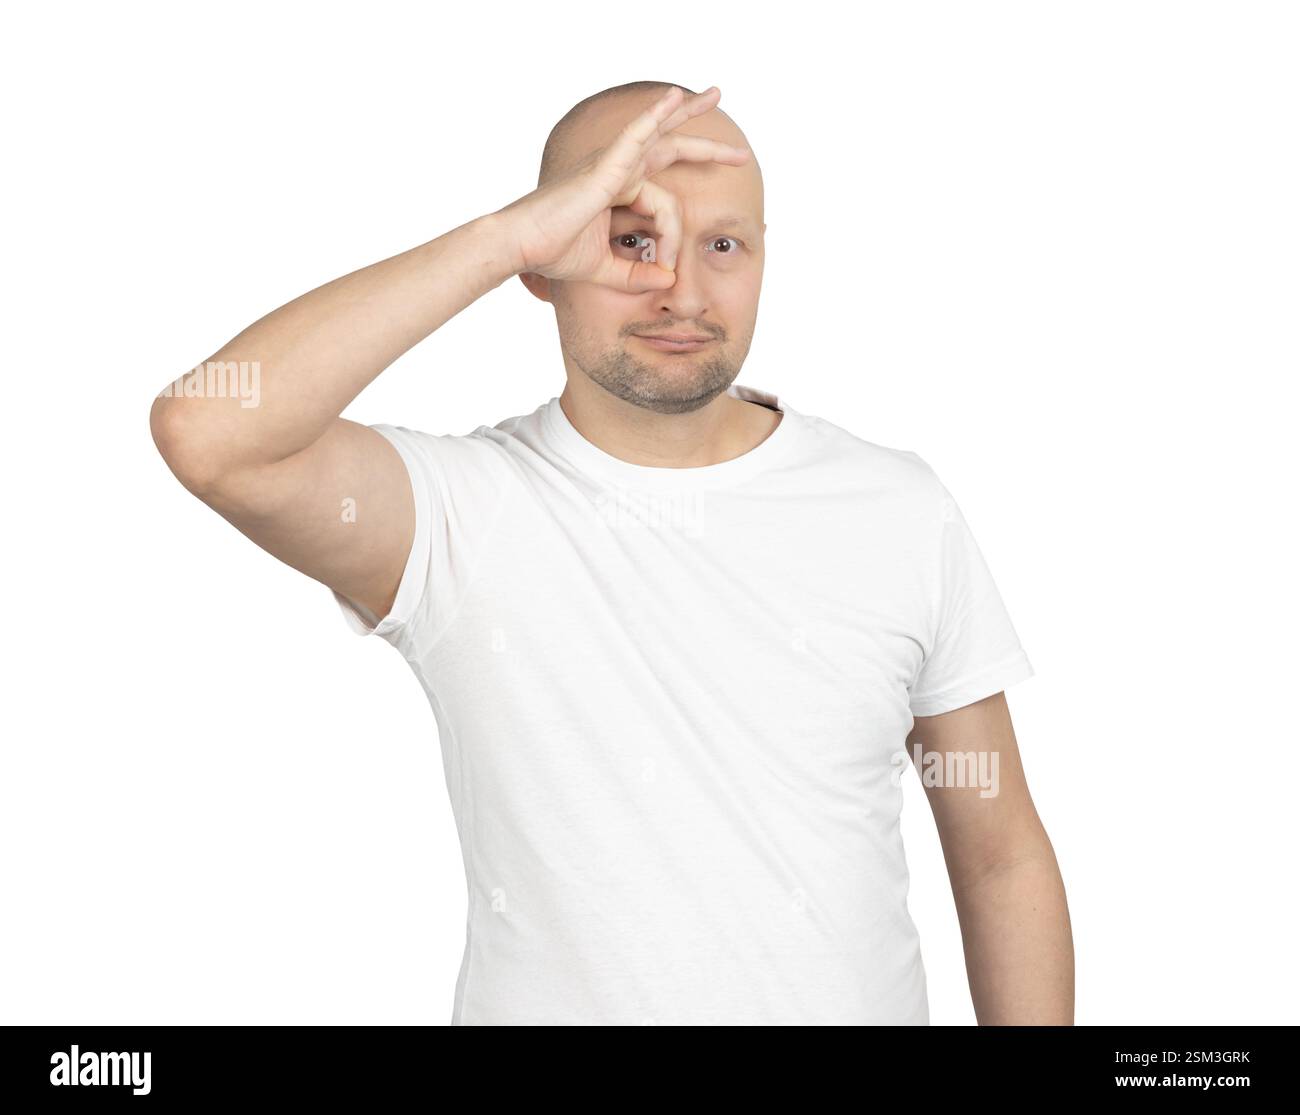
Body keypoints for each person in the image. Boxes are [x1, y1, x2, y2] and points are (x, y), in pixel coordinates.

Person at [150, 81, 1073, 1026]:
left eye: (723, 245)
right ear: (547, 259)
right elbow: (209, 432)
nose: (683, 291)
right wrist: (503, 238)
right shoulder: (457, 513)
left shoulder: (897, 508)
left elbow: (998, 854)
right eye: (631, 238)